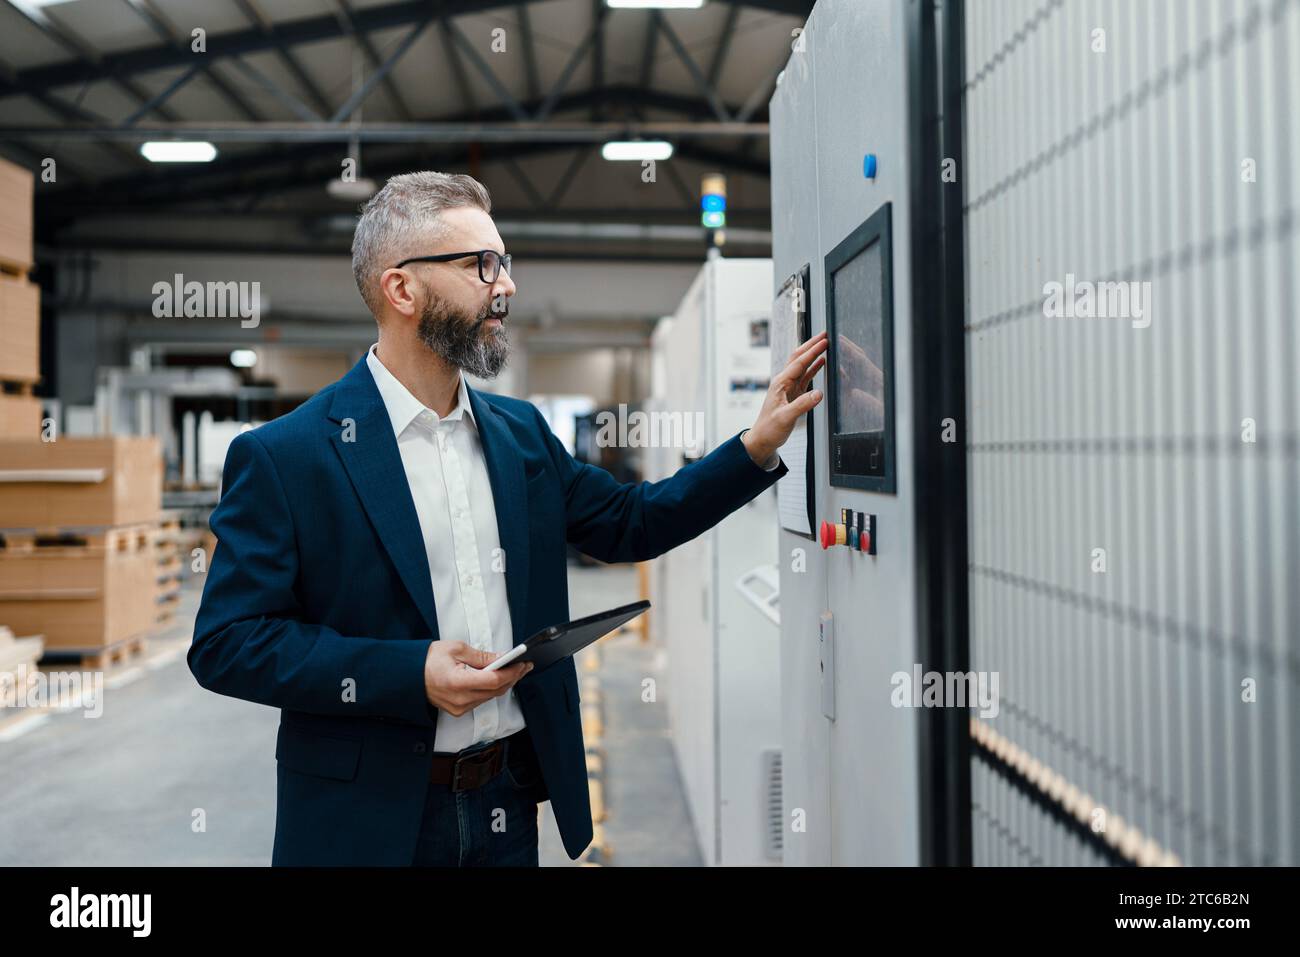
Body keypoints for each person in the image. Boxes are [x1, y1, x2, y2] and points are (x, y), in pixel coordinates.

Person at [188, 171, 827, 866]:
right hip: (368, 822)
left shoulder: (519, 435)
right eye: (481, 265)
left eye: (506, 262)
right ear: (402, 289)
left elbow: (630, 522)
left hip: (505, 805)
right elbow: (228, 641)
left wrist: (754, 446)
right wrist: (410, 672)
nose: (507, 286)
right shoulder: (289, 456)